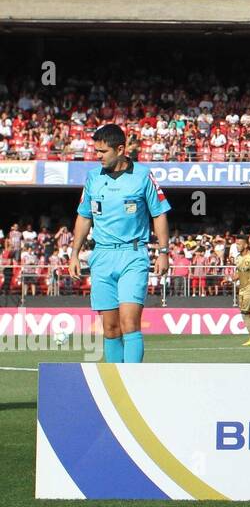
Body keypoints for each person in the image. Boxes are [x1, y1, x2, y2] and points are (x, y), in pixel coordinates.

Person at [69, 123, 171, 363]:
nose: (98, 156)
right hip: (102, 257)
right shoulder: (93, 178)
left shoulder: (143, 175)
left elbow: (159, 214)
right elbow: (84, 216)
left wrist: (163, 252)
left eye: (103, 152)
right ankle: (115, 385)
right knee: (111, 328)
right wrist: (74, 253)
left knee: (129, 322)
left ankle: (132, 383)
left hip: (133, 255)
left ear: (121, 149)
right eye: (96, 151)